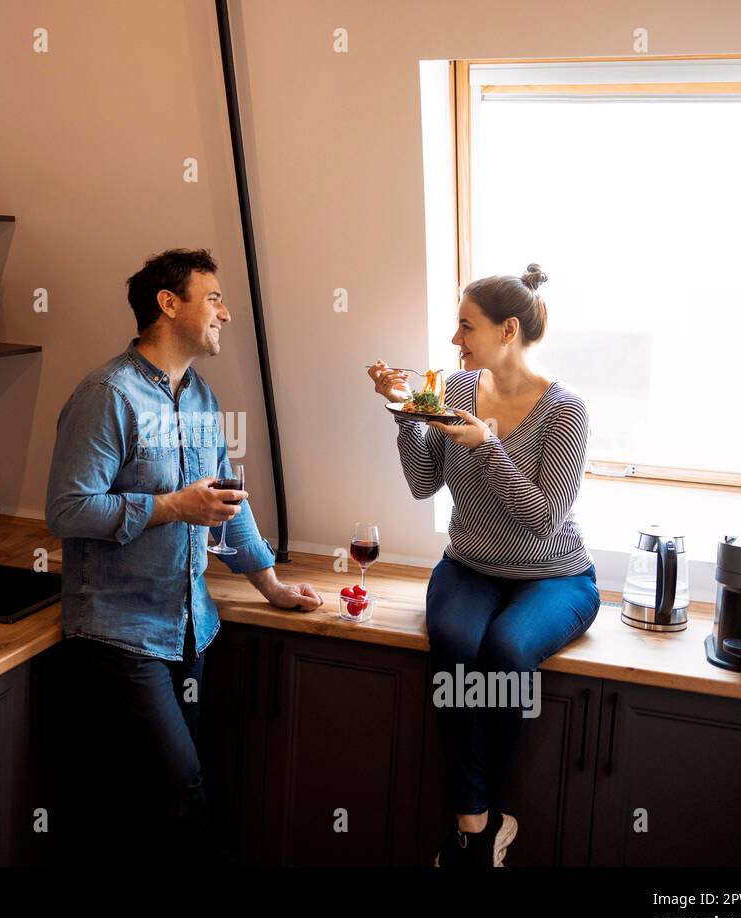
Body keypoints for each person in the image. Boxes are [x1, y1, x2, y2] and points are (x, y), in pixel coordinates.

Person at [46, 247, 321, 863]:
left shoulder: (199, 397)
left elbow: (227, 499)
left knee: (162, 795)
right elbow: (66, 511)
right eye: (214, 297)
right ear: (168, 305)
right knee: (179, 788)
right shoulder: (106, 395)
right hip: (119, 633)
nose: (225, 313)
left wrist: (271, 586)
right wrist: (169, 507)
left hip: (191, 630)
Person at [369, 263, 601, 867]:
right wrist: (404, 414)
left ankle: (475, 826)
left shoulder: (564, 412)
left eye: (465, 327)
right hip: (469, 567)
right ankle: (479, 823)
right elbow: (423, 484)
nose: (455, 341)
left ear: (507, 330)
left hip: (554, 577)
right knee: (453, 644)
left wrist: (488, 446)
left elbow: (540, 521)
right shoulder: (456, 391)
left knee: (505, 652)